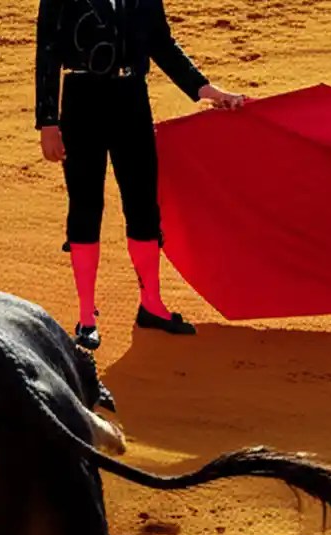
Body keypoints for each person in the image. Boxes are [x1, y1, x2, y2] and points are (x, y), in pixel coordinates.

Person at [35, 0, 244, 350]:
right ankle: (86, 316)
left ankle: (152, 305)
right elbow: (48, 50)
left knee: (143, 202)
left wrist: (204, 89)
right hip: (82, 101)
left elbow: (161, 42)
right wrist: (48, 121)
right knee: (86, 204)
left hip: (132, 98)